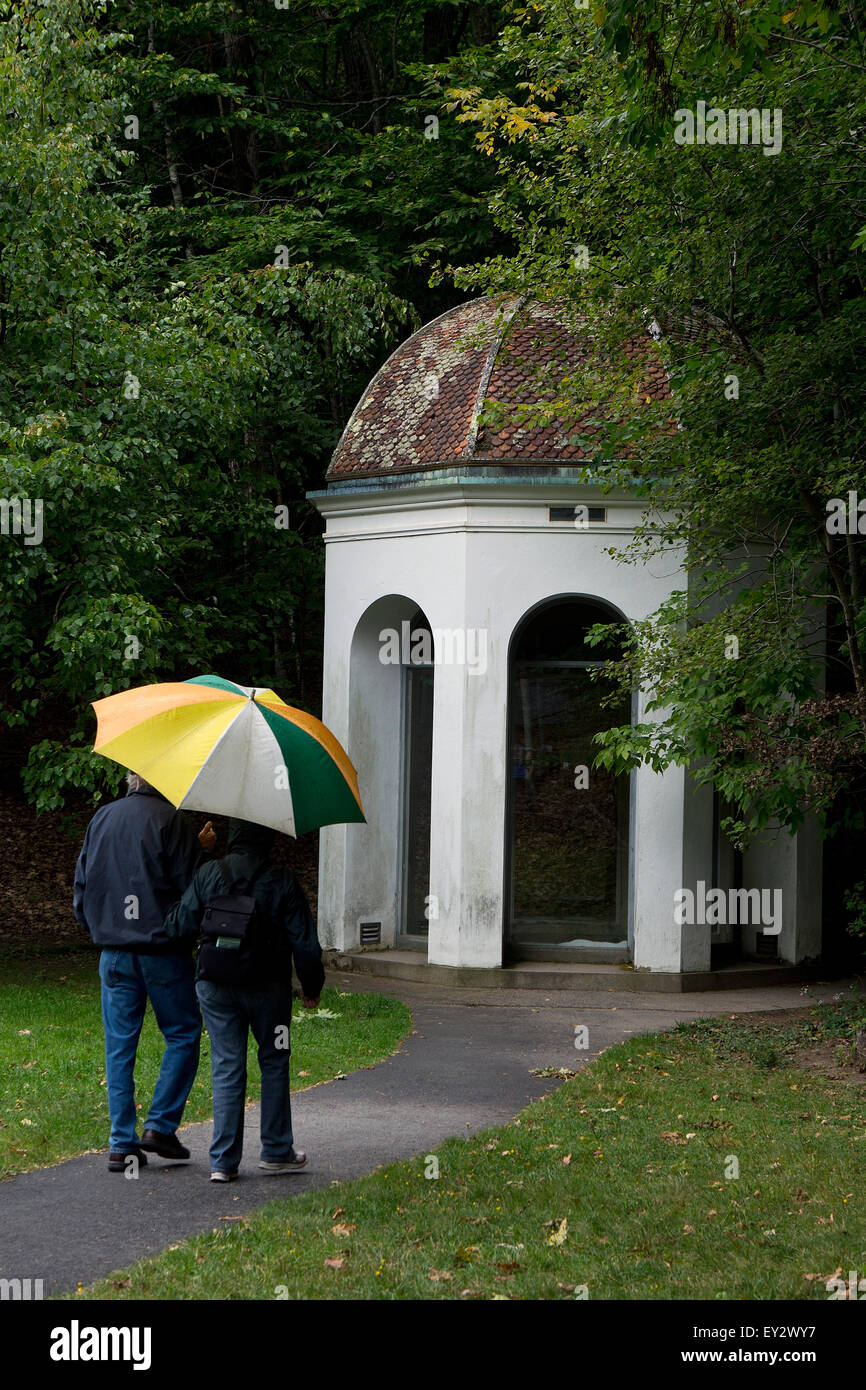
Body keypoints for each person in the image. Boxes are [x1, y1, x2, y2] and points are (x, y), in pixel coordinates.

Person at [164, 817, 324, 1182]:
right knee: (275, 1058)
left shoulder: (208, 873)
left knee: (226, 1063)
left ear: (233, 835)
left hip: (215, 986)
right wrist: (311, 987)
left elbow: (179, 924)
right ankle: (276, 1149)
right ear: (268, 838)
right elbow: (305, 943)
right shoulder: (282, 879)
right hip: (270, 990)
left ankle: (222, 1161)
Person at [73, 772, 216, 1171]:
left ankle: (122, 1143)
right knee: (184, 1033)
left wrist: (99, 928)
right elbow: (193, 891)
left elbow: (83, 884)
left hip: (114, 953)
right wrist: (202, 852)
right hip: (162, 951)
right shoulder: (171, 821)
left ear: (130, 779)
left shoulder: (101, 817)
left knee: (119, 1047)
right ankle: (160, 1126)